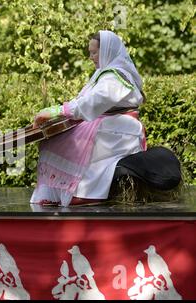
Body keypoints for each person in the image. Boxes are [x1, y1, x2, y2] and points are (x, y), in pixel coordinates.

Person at [30, 30, 146, 207]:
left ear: (107, 51)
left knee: (66, 139)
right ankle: (59, 192)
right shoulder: (105, 73)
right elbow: (84, 101)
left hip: (121, 128)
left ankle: (84, 193)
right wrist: (58, 112)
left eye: (94, 52)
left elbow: (94, 102)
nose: (91, 57)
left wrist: (58, 111)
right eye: (90, 52)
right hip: (111, 123)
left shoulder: (116, 76)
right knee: (54, 138)